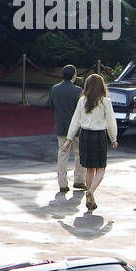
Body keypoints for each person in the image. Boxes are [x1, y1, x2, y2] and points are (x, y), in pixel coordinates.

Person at [63, 72, 118, 212]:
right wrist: (113, 138)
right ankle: (91, 191)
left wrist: (68, 140)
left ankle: (89, 191)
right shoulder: (105, 101)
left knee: (89, 168)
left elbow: (75, 121)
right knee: (101, 168)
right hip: (99, 135)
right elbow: (111, 122)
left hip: (85, 135)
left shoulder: (82, 101)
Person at [50, 64, 83, 194]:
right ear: (74, 75)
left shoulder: (55, 89)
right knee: (79, 154)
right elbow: (80, 109)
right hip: (75, 127)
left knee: (62, 154)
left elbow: (52, 104)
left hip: (61, 125)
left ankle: (62, 183)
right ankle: (79, 180)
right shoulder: (78, 90)